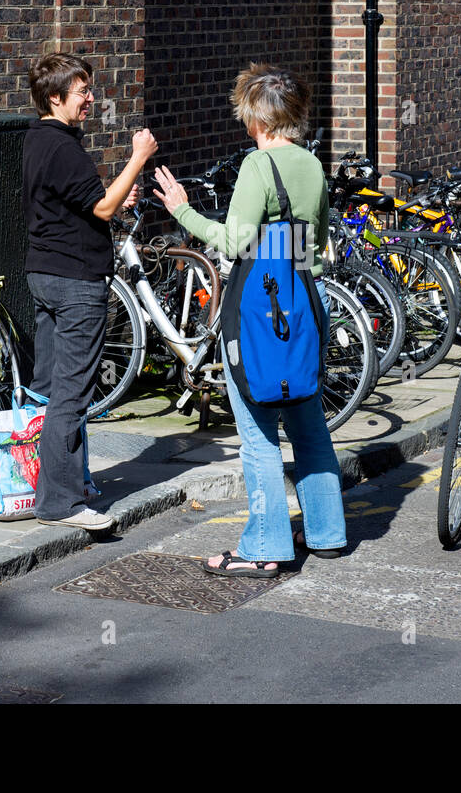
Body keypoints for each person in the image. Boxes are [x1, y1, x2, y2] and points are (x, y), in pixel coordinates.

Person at [152, 63, 347, 576]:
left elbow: (236, 241)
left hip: (260, 313)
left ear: (256, 118)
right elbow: (314, 245)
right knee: (309, 424)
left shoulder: (259, 165)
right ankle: (327, 532)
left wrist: (183, 212)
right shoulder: (313, 165)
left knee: (258, 433)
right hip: (307, 302)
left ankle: (265, 547)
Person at [23, 52, 157, 532]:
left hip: (44, 273)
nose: (91, 99)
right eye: (82, 92)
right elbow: (101, 209)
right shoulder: (64, 148)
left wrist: (118, 193)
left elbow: (87, 202)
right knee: (71, 394)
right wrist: (138, 158)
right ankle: (59, 503)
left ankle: (49, 482)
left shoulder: (37, 139)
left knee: (46, 388)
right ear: (55, 98)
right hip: (76, 282)